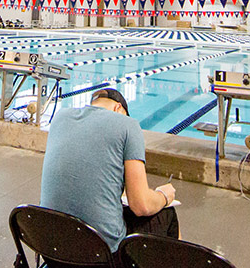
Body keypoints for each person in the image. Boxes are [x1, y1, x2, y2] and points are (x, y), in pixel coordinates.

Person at [40, 87, 178, 248]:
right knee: (168, 214)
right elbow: (141, 205)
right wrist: (164, 195)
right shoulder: (128, 125)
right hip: (100, 260)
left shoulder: (60, 117)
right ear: (118, 107)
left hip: (50, 248)